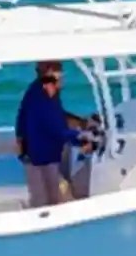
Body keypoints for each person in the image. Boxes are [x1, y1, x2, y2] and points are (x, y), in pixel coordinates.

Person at [15, 61, 94, 207]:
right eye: (59, 71)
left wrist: (80, 122)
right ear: (50, 73)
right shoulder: (42, 99)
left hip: (41, 150)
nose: (63, 75)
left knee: (53, 197)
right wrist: (82, 140)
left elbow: (57, 117)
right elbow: (57, 131)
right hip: (39, 156)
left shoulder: (41, 90)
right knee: (49, 202)